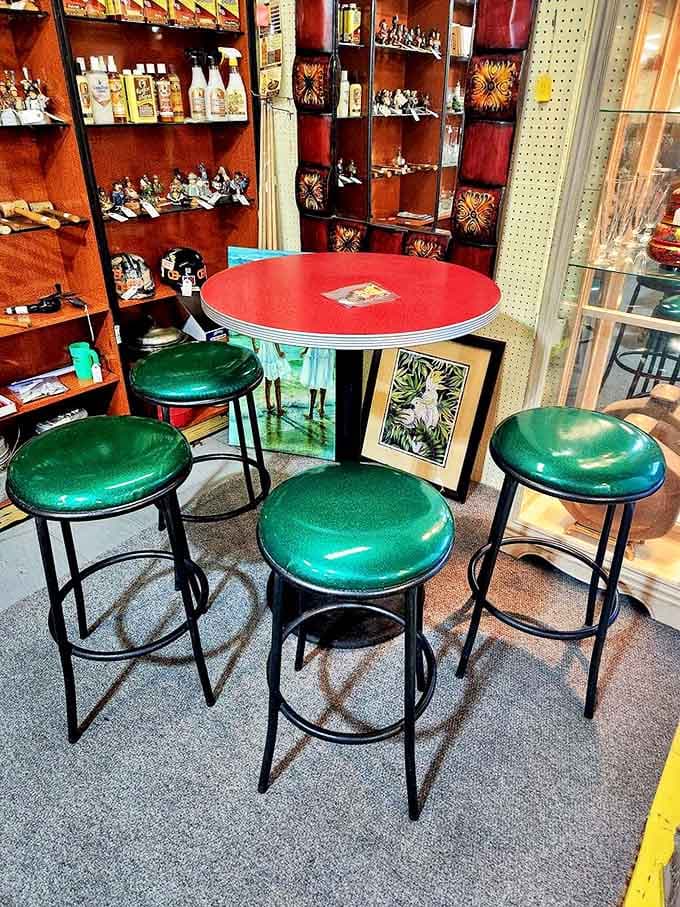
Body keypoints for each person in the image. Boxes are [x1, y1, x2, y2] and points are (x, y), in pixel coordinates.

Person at [254, 340, 290, 416]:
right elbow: (275, 339)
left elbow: (252, 335)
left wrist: (255, 346)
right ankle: (279, 409)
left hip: (264, 351)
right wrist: (279, 352)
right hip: (272, 352)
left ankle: (268, 406)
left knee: (268, 382)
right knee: (277, 384)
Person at [300, 347, 333, 420]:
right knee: (323, 379)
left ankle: (311, 413)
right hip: (326, 351)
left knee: (314, 380)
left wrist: (305, 350)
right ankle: (321, 409)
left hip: (316, 351)